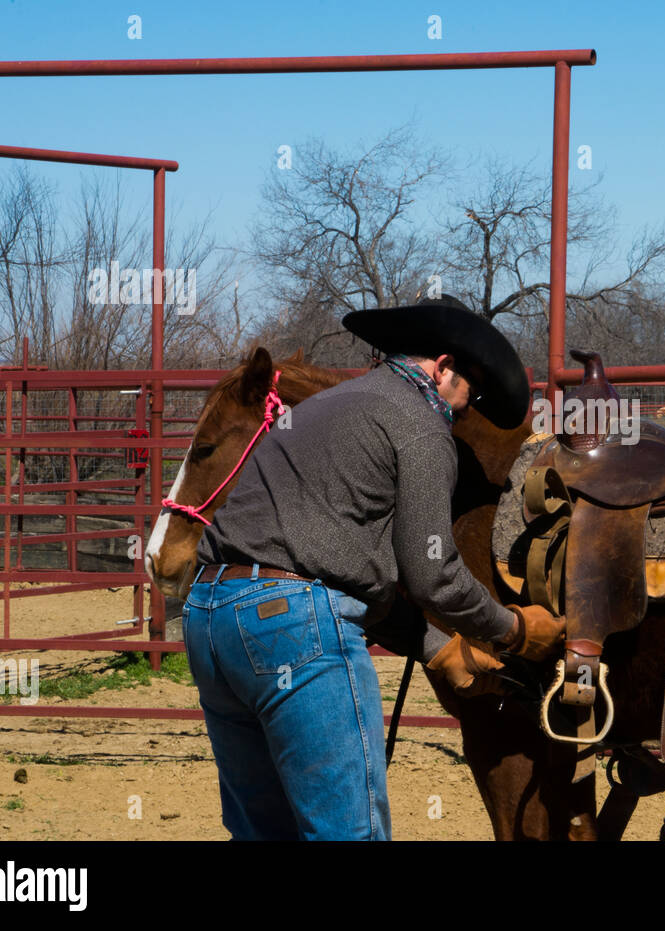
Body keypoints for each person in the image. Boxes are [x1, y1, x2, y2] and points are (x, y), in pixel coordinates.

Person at [183, 295, 563, 840]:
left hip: (207, 617)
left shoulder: (323, 411)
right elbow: (434, 573)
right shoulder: (420, 422)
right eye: (469, 391)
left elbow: (345, 565)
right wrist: (515, 630)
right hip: (293, 621)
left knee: (263, 833)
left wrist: (437, 647)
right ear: (443, 366)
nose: (464, 408)